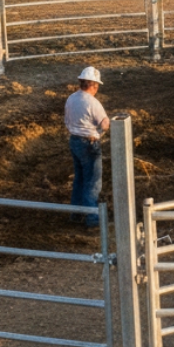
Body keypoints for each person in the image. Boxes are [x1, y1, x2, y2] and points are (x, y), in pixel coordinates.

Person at [66, 66, 110, 228]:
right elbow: (105, 124)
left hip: (74, 141)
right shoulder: (92, 102)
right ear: (94, 85)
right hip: (89, 143)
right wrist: (97, 133)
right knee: (92, 181)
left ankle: (76, 213)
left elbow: (67, 120)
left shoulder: (71, 98)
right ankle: (93, 218)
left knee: (80, 178)